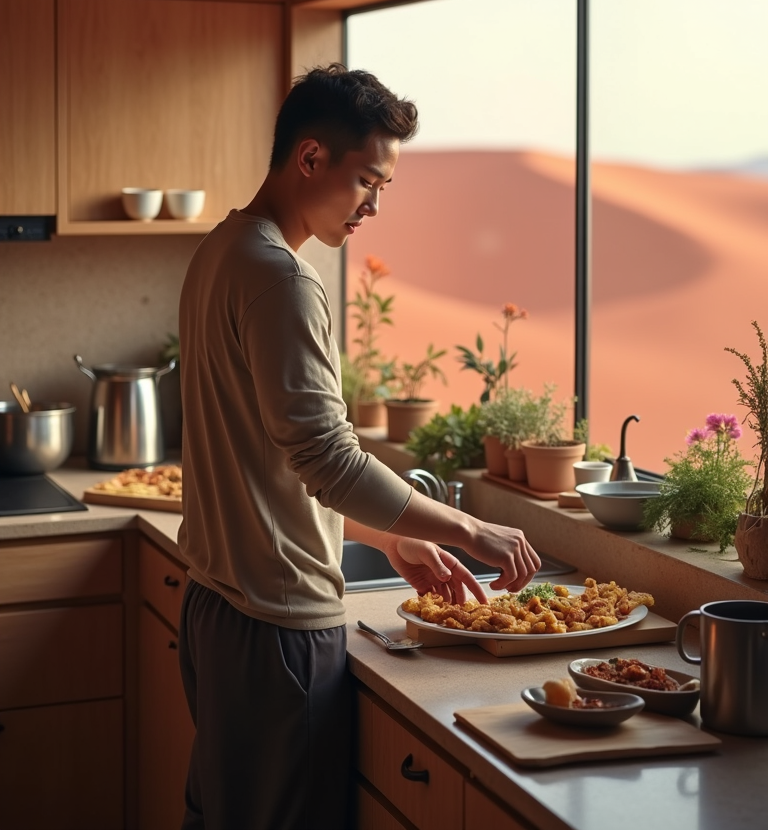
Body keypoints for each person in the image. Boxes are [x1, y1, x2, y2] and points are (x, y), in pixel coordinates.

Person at [176, 63, 540, 830]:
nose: (375, 205)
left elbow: (272, 461)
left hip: (216, 608)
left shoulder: (222, 250)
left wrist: (392, 534)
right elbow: (327, 458)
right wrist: (470, 529)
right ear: (311, 159)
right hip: (275, 629)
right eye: (369, 181)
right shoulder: (282, 278)